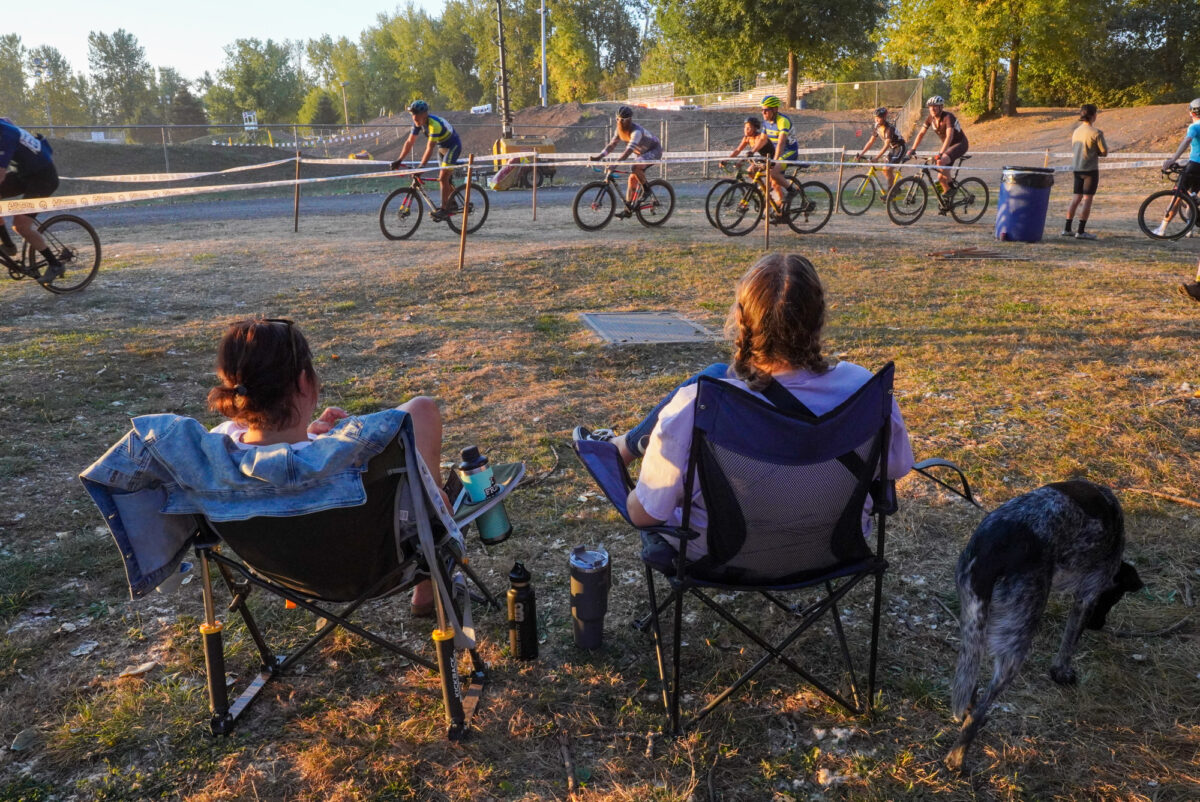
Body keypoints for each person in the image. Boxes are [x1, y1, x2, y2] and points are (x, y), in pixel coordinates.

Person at [576, 253, 914, 560]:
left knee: (710, 377)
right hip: (835, 546)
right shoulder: (864, 389)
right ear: (820, 319)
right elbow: (895, 467)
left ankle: (622, 446)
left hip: (720, 554)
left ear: (742, 323)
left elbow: (644, 515)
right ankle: (626, 444)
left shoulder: (698, 406)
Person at [207, 318, 444, 616]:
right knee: (421, 409)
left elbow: (267, 448)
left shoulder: (214, 452)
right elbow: (439, 510)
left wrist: (309, 437)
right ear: (304, 383)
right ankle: (428, 587)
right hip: (374, 572)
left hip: (282, 575)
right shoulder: (354, 458)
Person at [0, 117, 63, 283]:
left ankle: (55, 264)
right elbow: (8, 119)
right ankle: (8, 246)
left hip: (43, 178)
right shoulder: (3, 124)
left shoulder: (6, 135)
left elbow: (0, 175)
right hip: (25, 174)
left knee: (20, 225)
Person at [389, 100, 463, 221]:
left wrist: (421, 167)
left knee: (443, 177)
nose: (414, 118)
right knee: (444, 179)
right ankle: (452, 203)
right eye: (412, 115)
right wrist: (399, 159)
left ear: (424, 115)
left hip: (453, 146)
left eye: (416, 115)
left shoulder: (434, 125)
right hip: (442, 147)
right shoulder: (418, 123)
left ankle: (444, 210)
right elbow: (409, 142)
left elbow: (429, 148)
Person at [591, 105, 663, 219]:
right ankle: (628, 209)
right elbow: (611, 145)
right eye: (617, 119)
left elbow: (628, 152)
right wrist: (599, 156)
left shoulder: (636, 132)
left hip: (654, 150)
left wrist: (615, 164)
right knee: (632, 178)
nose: (619, 121)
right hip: (642, 152)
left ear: (629, 120)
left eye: (622, 120)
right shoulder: (619, 130)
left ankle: (647, 190)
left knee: (635, 167)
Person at [1152, 98, 1200, 238]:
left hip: (1195, 166)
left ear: (1192, 113)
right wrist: (1183, 163)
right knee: (1191, 197)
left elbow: (1187, 141)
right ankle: (1189, 228)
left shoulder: (1194, 127)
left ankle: (1162, 229)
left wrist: (1173, 159)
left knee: (1177, 197)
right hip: (1196, 166)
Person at [907, 96, 969, 201]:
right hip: (948, 147)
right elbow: (921, 133)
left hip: (960, 144)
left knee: (940, 161)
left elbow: (949, 137)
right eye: (930, 107)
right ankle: (946, 202)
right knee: (940, 179)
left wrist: (940, 153)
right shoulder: (930, 118)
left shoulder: (948, 117)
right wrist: (913, 149)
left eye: (935, 107)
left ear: (941, 107)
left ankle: (952, 187)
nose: (932, 109)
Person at [1063, 104, 1108, 240]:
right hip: (1090, 170)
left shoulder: (1076, 131)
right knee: (1087, 199)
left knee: (1076, 198)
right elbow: (1104, 152)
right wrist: (1097, 152)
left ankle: (1067, 228)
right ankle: (1081, 231)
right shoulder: (1097, 133)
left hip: (1077, 168)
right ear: (1094, 115)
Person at [759, 95, 801, 206]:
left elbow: (781, 143)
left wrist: (775, 160)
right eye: (762, 110)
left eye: (766, 110)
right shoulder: (766, 122)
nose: (763, 112)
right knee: (768, 177)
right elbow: (762, 140)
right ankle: (780, 210)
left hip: (789, 152)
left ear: (774, 109)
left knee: (773, 173)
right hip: (777, 151)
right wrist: (751, 152)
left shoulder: (783, 121)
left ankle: (792, 191)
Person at [856, 106, 907, 188]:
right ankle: (893, 188)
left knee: (888, 169)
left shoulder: (889, 129)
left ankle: (891, 191)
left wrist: (876, 158)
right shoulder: (877, 127)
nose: (876, 120)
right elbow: (870, 142)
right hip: (893, 149)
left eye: (878, 118)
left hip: (900, 148)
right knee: (885, 170)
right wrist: (861, 154)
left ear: (884, 118)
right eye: (875, 118)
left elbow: (886, 145)